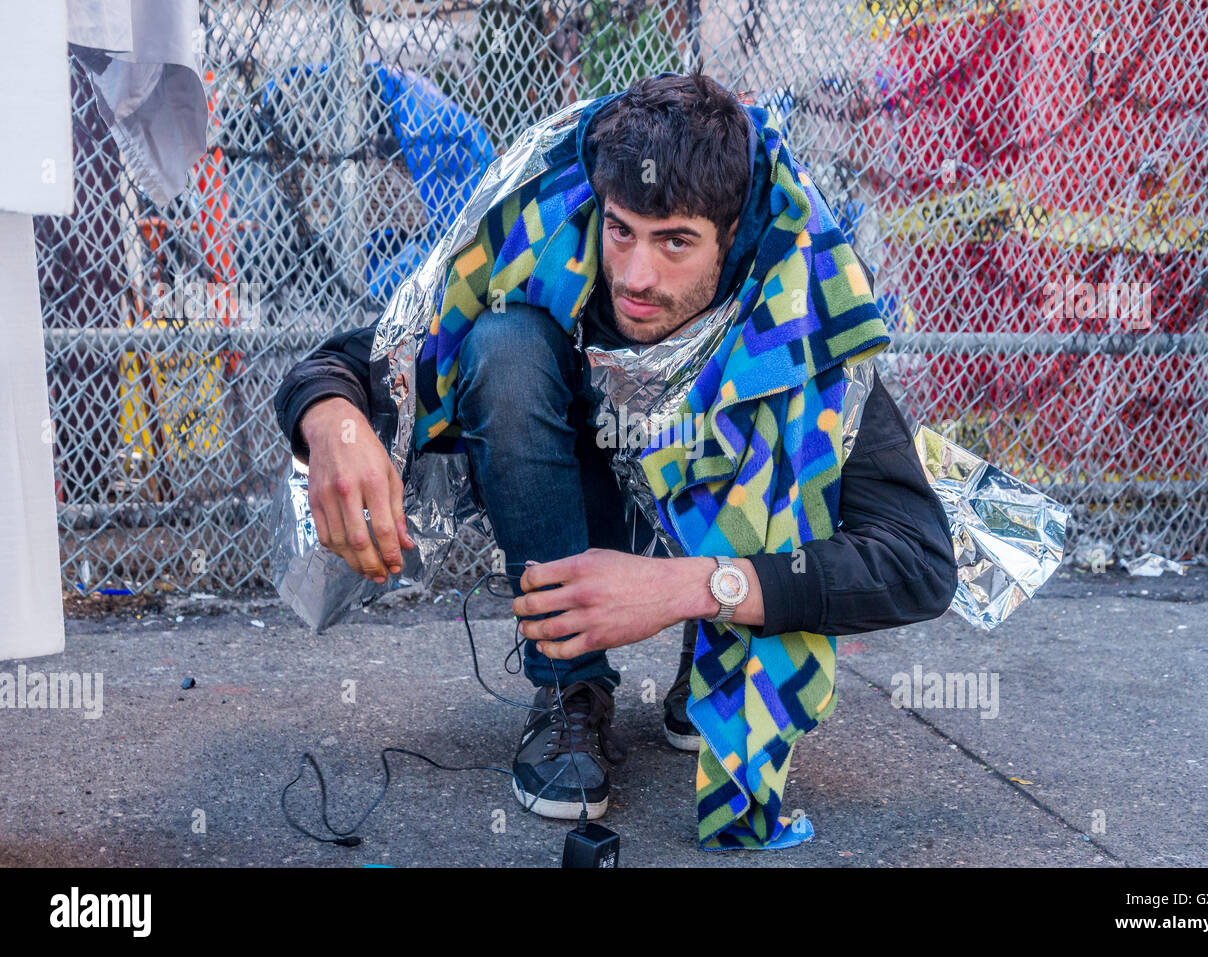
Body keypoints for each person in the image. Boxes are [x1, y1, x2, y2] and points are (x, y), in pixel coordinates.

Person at [274, 69, 957, 824]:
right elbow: (354, 362)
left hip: (709, 554)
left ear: (732, 239)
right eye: (623, 231)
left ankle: (716, 651)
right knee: (501, 347)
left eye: (676, 244)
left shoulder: (797, 316)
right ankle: (572, 687)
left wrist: (695, 588)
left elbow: (919, 561)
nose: (636, 275)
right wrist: (335, 424)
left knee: (761, 465)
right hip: (587, 505)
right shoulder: (552, 246)